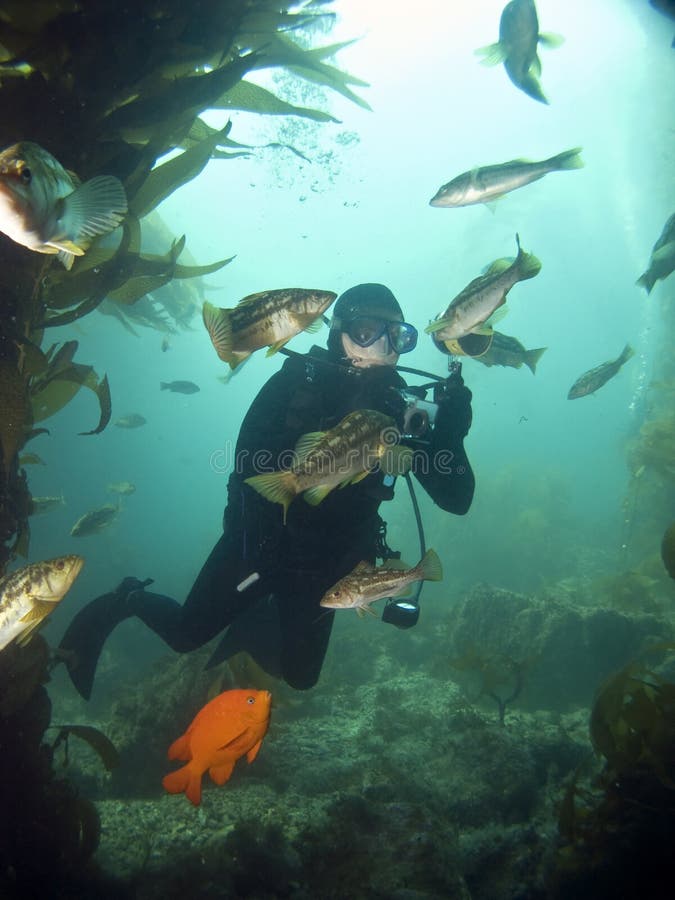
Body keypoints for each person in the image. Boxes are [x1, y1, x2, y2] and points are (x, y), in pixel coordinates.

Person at [59, 283, 474, 699]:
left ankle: (260, 614)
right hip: (260, 546)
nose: (383, 345)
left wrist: (450, 437)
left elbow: (457, 499)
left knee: (301, 677)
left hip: (331, 564)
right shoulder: (297, 382)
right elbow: (244, 465)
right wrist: (260, 536)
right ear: (338, 332)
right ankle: (129, 597)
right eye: (368, 330)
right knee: (185, 635)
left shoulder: (402, 410)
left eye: (398, 335)